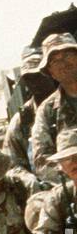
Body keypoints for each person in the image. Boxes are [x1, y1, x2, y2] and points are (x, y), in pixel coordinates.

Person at [3, 46, 55, 179]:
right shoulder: (22, 120)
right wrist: (30, 181)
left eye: (39, 75)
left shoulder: (70, 103)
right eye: (29, 78)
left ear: (50, 73)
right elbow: (12, 164)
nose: (35, 82)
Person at [31, 33, 77, 179]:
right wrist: (71, 171)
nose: (63, 63)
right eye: (55, 61)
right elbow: (41, 162)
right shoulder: (47, 111)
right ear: (51, 72)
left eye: (68, 55)